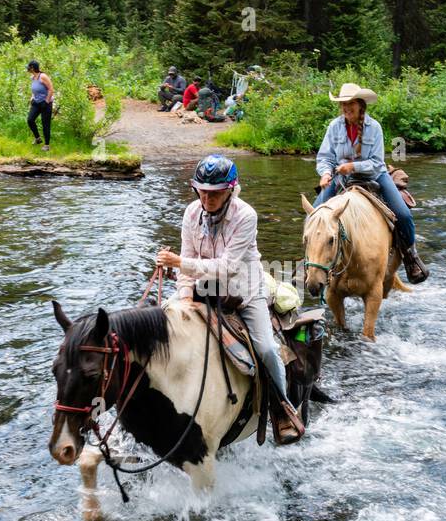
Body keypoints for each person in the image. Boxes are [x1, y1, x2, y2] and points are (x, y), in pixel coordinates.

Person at [155, 155, 305, 445]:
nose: (208, 198)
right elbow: (188, 264)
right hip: (202, 289)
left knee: (266, 349)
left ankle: (282, 407)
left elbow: (227, 267)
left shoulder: (246, 215)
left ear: (231, 190)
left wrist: (178, 262)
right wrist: (184, 297)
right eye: (202, 191)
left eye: (215, 193)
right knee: (156, 329)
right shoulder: (190, 213)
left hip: (244, 291)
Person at [315, 82, 429, 283]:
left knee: (403, 214)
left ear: (360, 104)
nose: (346, 107)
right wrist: (325, 173)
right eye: (343, 104)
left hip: (375, 176)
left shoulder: (374, 127)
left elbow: (376, 163)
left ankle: (411, 258)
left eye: (350, 103)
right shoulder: (334, 126)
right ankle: (313, 264)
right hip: (342, 178)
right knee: (314, 216)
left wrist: (353, 167)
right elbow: (325, 157)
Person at [26, 60, 54, 150]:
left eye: (29, 67)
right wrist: (32, 98)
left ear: (33, 68)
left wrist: (46, 101)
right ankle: (38, 138)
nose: (27, 68)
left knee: (45, 124)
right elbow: (34, 90)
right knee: (30, 120)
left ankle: (47, 145)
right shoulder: (33, 77)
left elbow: (51, 89)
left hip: (46, 103)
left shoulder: (43, 76)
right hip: (36, 102)